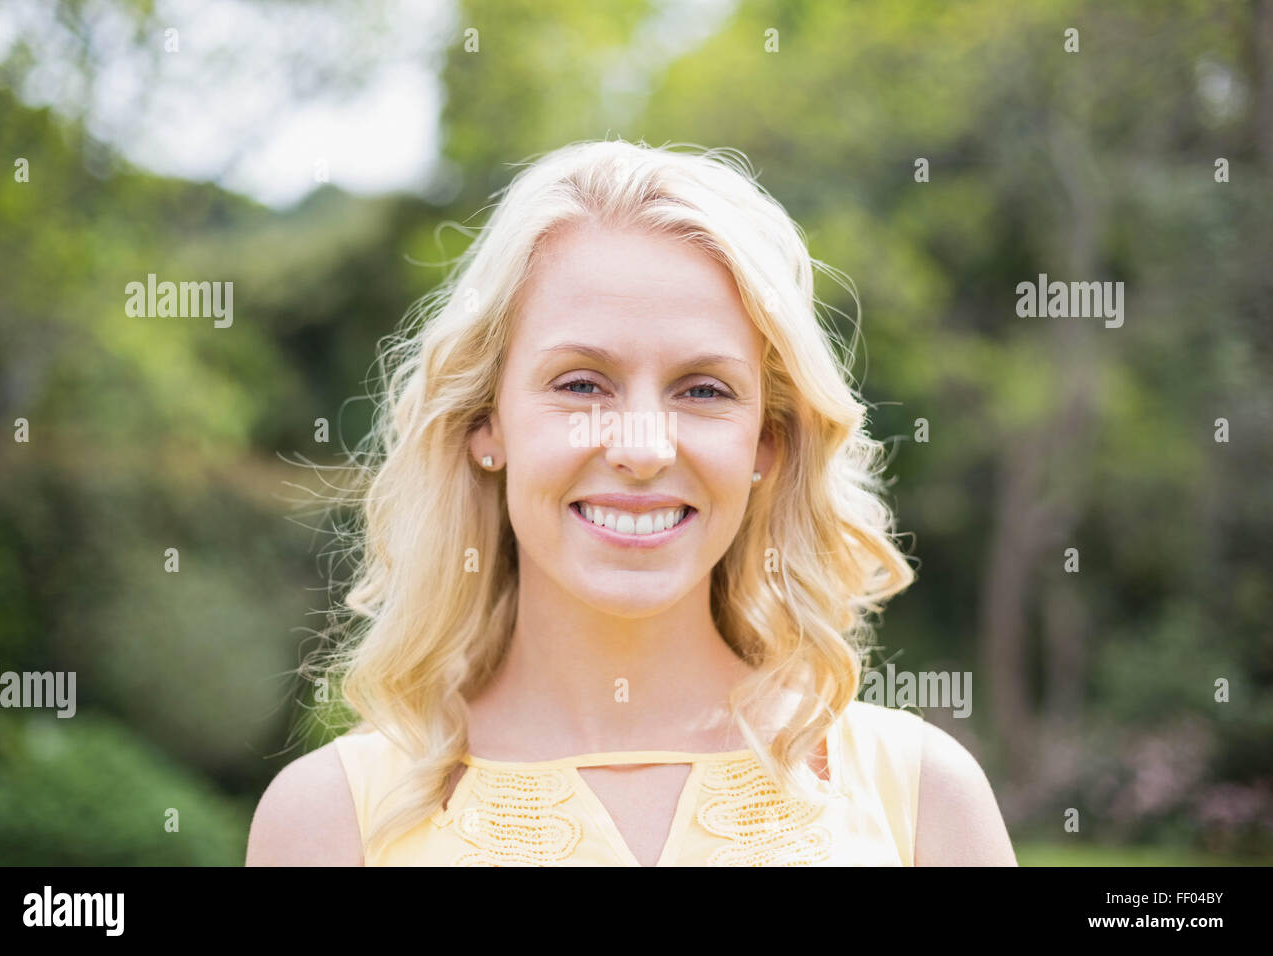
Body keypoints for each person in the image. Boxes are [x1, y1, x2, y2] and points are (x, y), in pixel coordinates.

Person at [246, 139, 1017, 866]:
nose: (643, 446)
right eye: (581, 383)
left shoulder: (923, 798)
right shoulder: (326, 822)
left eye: (703, 389)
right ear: (486, 422)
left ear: (767, 444)